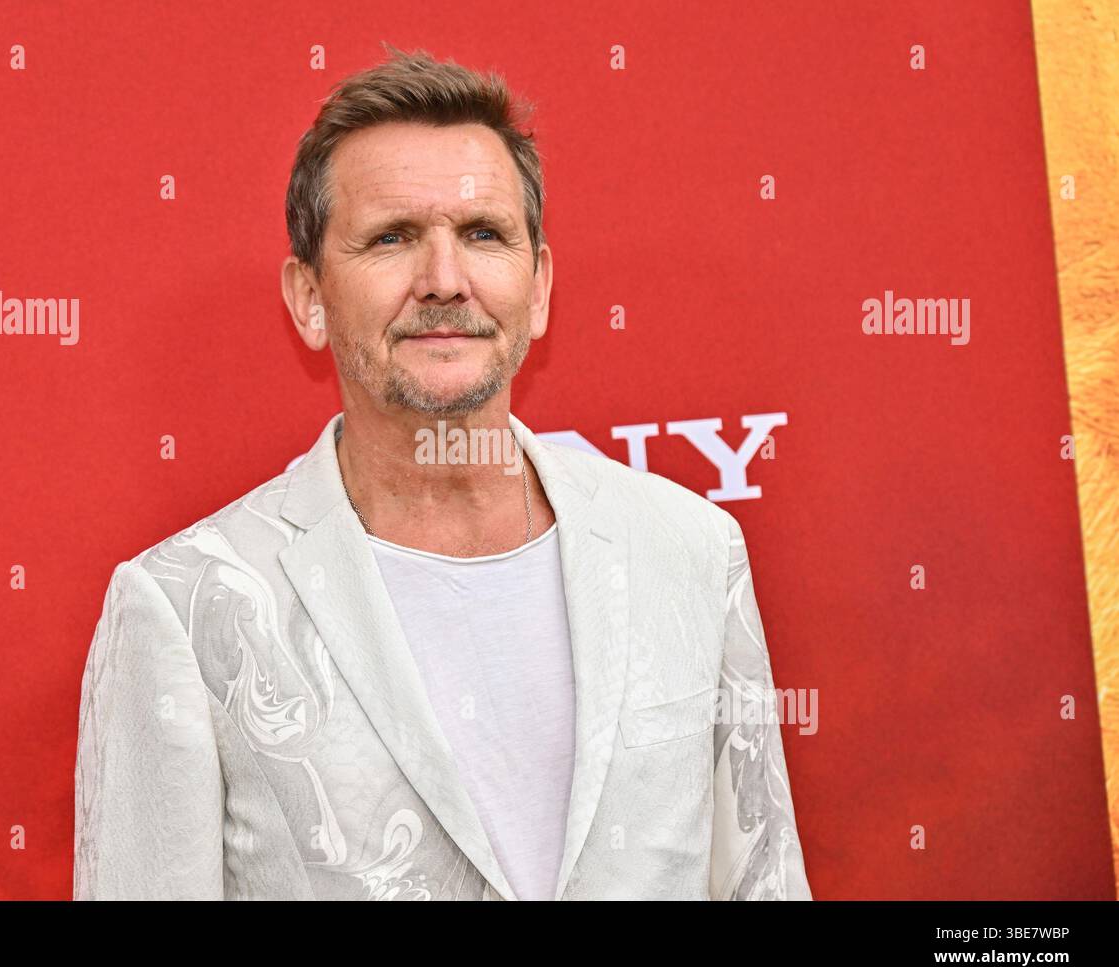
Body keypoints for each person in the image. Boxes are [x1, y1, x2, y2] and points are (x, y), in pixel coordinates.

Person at [72, 44, 813, 901]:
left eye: (483, 234)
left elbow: (763, 884)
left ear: (537, 286)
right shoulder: (185, 605)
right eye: (391, 238)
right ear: (308, 297)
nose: (444, 280)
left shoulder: (690, 550)